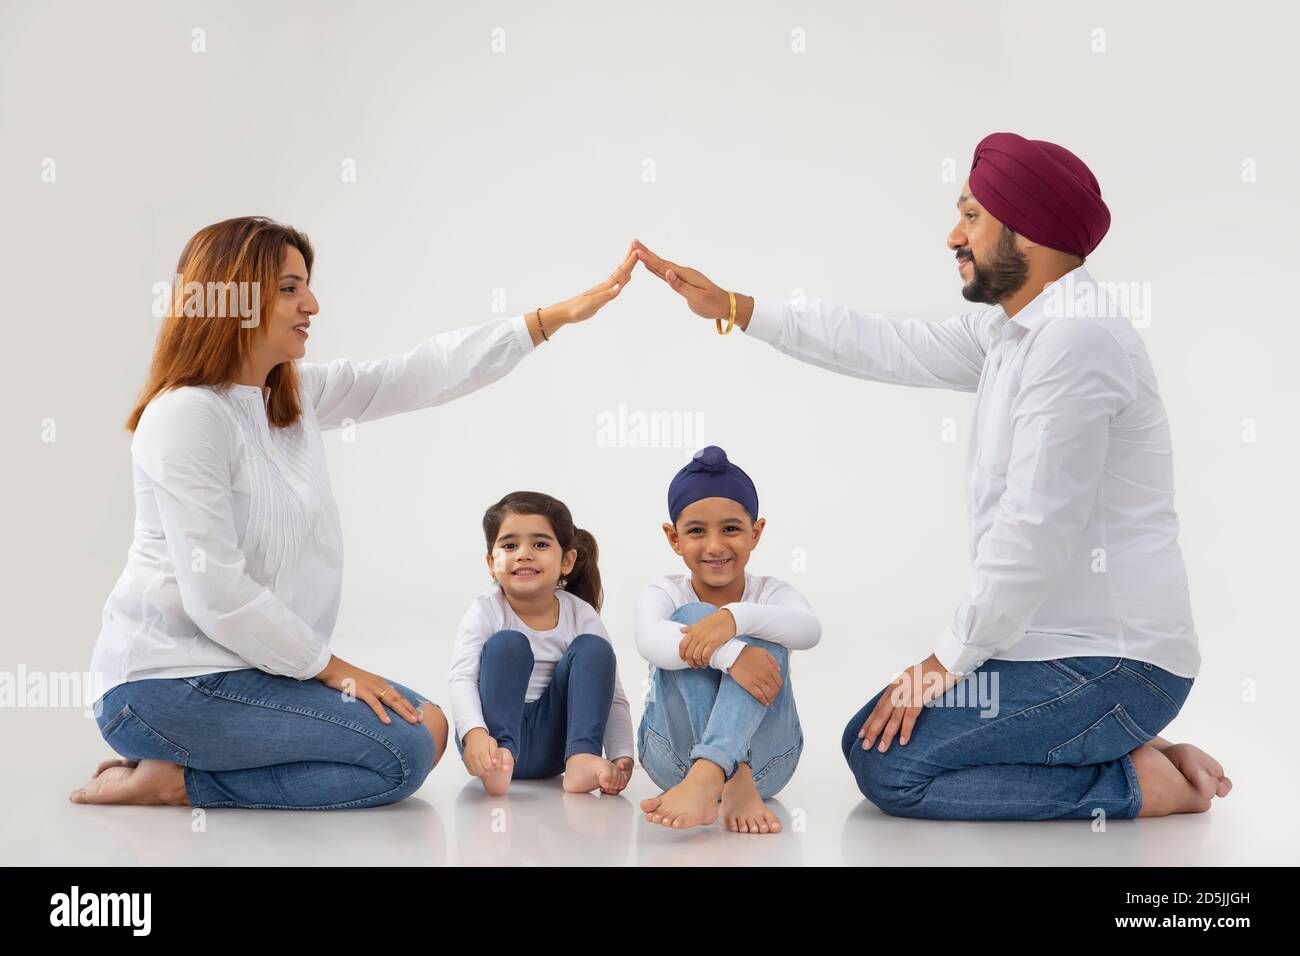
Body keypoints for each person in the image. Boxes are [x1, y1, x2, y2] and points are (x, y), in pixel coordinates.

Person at [633, 132, 1232, 820]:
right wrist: (737, 307)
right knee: (873, 738)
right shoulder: (1017, 333)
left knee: (892, 771)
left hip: (1119, 665)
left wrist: (944, 663)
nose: (955, 234)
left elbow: (1033, 530)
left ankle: (1136, 785)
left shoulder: (1076, 342)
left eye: (972, 215)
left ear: (1029, 230)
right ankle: (1128, 743)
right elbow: (883, 342)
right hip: (1059, 657)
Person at [72, 215, 635, 809]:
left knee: (433, 726)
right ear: (233, 297)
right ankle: (177, 784)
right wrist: (335, 670)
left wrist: (550, 320)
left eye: (305, 286)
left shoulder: (289, 397)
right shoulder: (186, 415)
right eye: (289, 288)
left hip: (255, 672)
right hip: (167, 683)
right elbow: (219, 593)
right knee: (405, 754)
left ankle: (180, 773)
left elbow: (417, 374)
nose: (311, 303)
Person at [635, 446, 821, 832]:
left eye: (731, 529)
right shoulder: (664, 591)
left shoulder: (771, 593)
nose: (715, 545)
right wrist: (733, 654)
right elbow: (649, 639)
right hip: (674, 759)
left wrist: (735, 618)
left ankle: (714, 773)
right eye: (697, 531)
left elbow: (809, 630)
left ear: (757, 533)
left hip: (768, 766)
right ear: (673, 537)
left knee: (766, 629)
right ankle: (727, 775)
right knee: (691, 619)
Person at [448, 491, 635, 797]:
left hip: (555, 747)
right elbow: (462, 678)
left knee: (594, 649)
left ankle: (581, 761)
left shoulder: (580, 614)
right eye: (510, 545)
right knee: (508, 644)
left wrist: (621, 754)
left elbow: (611, 694)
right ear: (491, 563)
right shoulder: (485, 609)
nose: (524, 553)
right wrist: (475, 733)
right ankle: (499, 764)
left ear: (567, 560)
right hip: (491, 742)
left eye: (540, 544)